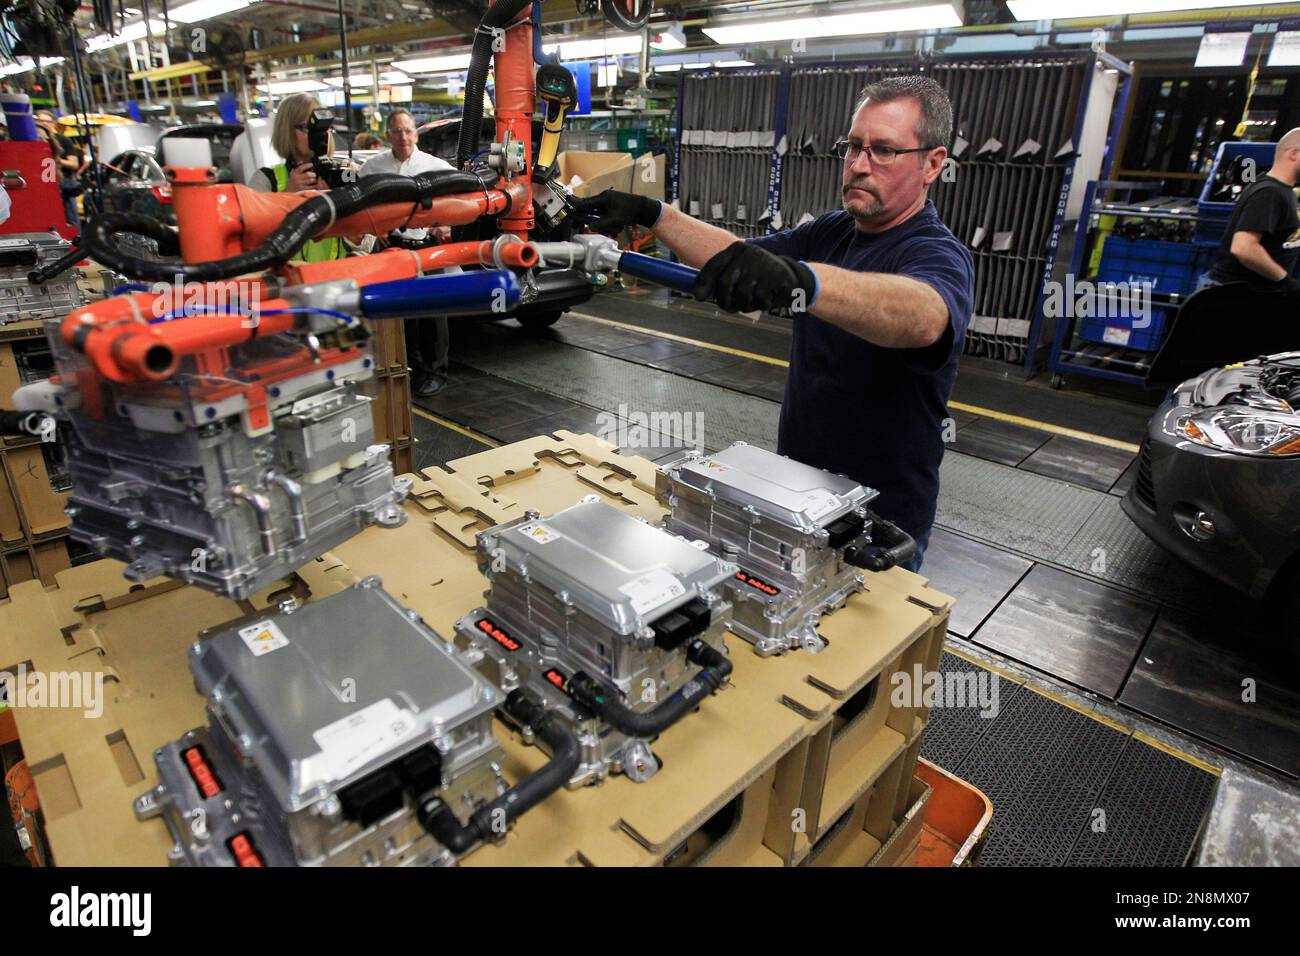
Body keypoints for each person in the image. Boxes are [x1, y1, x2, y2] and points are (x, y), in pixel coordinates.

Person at [573, 75, 974, 571]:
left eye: (884, 151)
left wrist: (806, 281)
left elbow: (923, 316)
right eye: (853, 146)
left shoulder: (935, 252)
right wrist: (653, 214)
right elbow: (736, 258)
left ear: (933, 163)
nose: (859, 165)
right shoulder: (833, 231)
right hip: (796, 495)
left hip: (878, 523)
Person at [360, 109, 456, 397]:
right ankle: (410, 368)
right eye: (396, 131)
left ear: (416, 133)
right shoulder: (372, 168)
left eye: (407, 130)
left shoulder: (436, 166)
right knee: (402, 313)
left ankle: (436, 372)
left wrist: (446, 222)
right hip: (392, 247)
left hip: (426, 246)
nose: (403, 136)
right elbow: (362, 204)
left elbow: (457, 199)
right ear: (388, 135)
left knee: (433, 312)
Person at [247, 93, 348, 262]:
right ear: (287, 130)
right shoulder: (266, 179)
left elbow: (366, 242)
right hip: (288, 284)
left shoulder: (341, 175)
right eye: (309, 128)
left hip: (339, 281)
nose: (320, 135)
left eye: (324, 128)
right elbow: (251, 236)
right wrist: (287, 196)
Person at [1207, 128, 1300, 294]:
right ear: (1294, 154)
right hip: (1237, 298)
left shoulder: (1284, 192)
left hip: (1256, 295)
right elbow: (1243, 247)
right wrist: (1285, 281)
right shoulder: (1269, 192)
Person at [35, 110, 83, 233]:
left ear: (54, 123)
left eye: (47, 121)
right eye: (40, 121)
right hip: (43, 187)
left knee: (72, 222)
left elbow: (74, 164)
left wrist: (56, 160)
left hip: (63, 186)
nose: (44, 124)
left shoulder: (63, 140)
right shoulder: (33, 141)